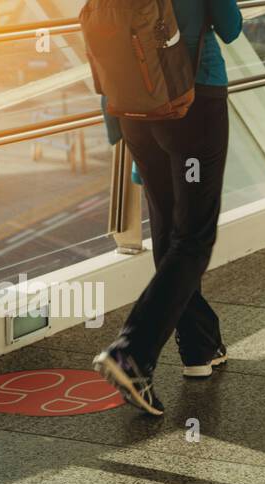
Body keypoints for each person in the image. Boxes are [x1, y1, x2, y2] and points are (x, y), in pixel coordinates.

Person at [93, 0, 244, 416]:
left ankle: (199, 345)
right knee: (194, 236)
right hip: (191, 102)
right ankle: (132, 352)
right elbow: (230, 27)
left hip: (133, 108)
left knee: (167, 228)